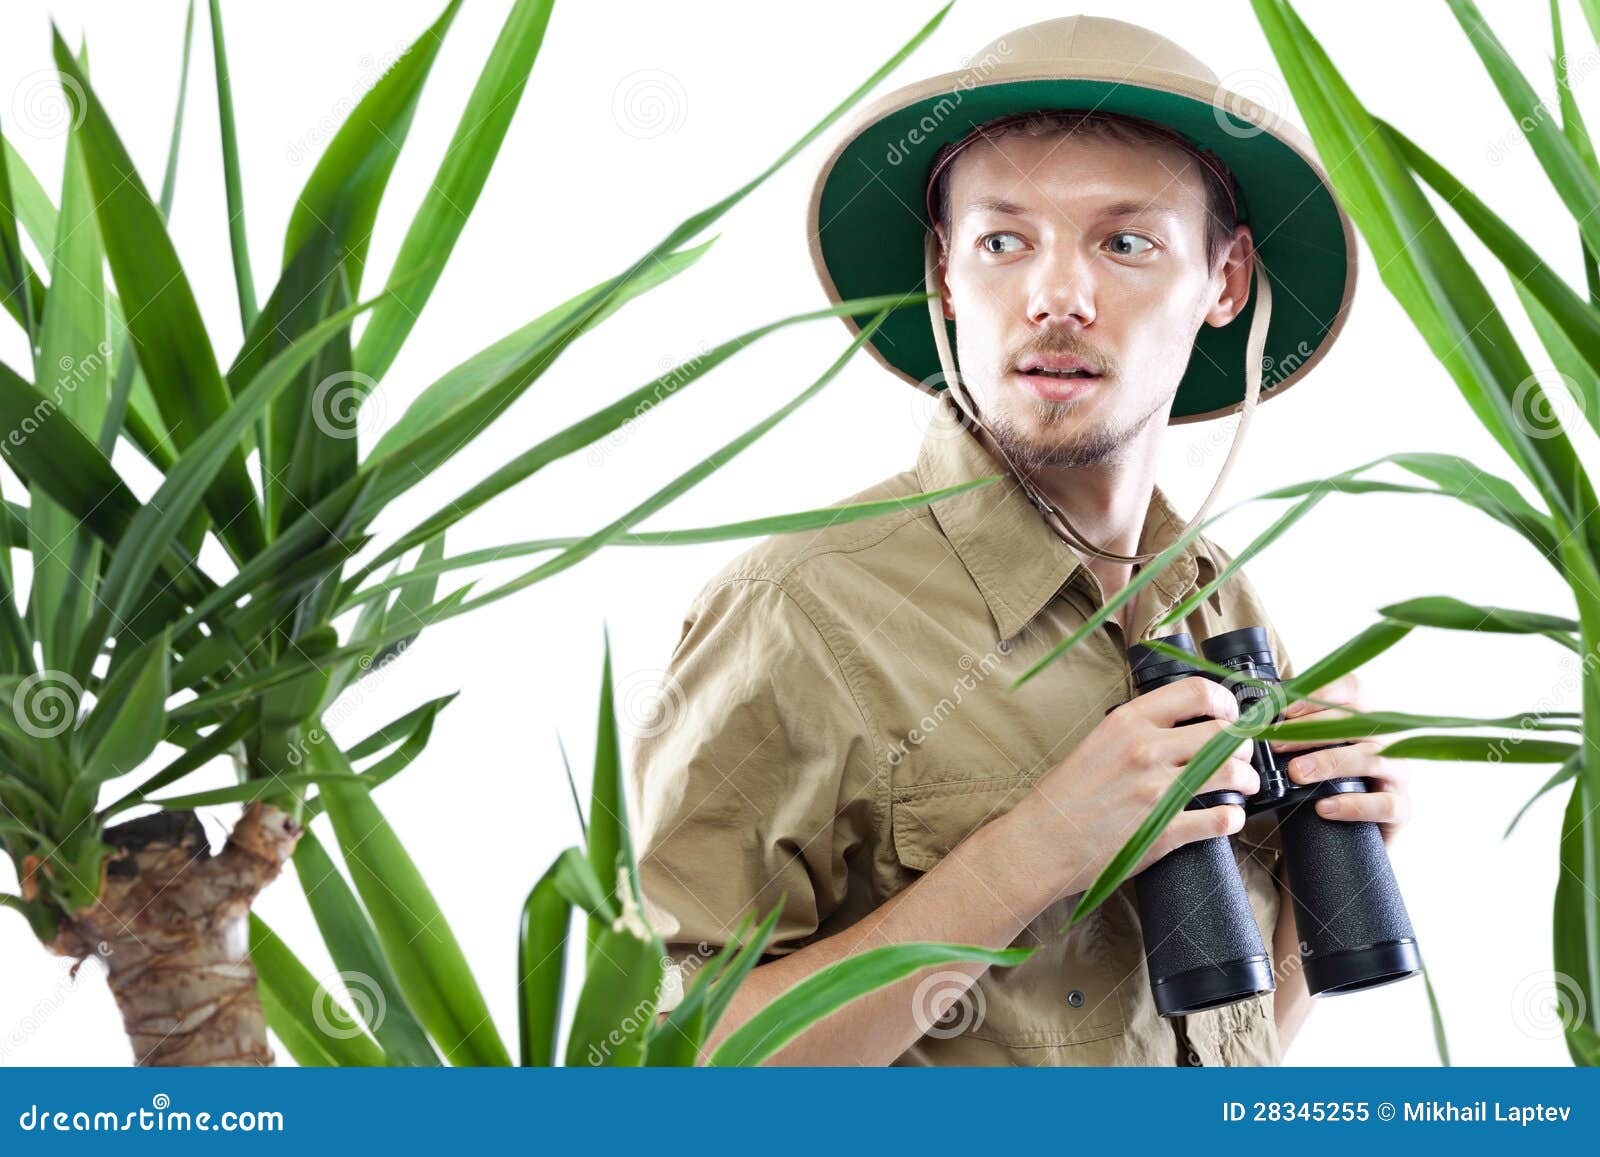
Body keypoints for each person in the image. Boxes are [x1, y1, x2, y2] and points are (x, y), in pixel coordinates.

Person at [630, 14, 1411, 1066]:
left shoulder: (1219, 604)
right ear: (947, 272)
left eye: (1124, 242)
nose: (1055, 298)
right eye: (1004, 242)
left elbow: (1212, 1056)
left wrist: (1324, 883)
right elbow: (660, 1062)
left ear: (1224, 282)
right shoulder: (795, 609)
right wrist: (1030, 854)